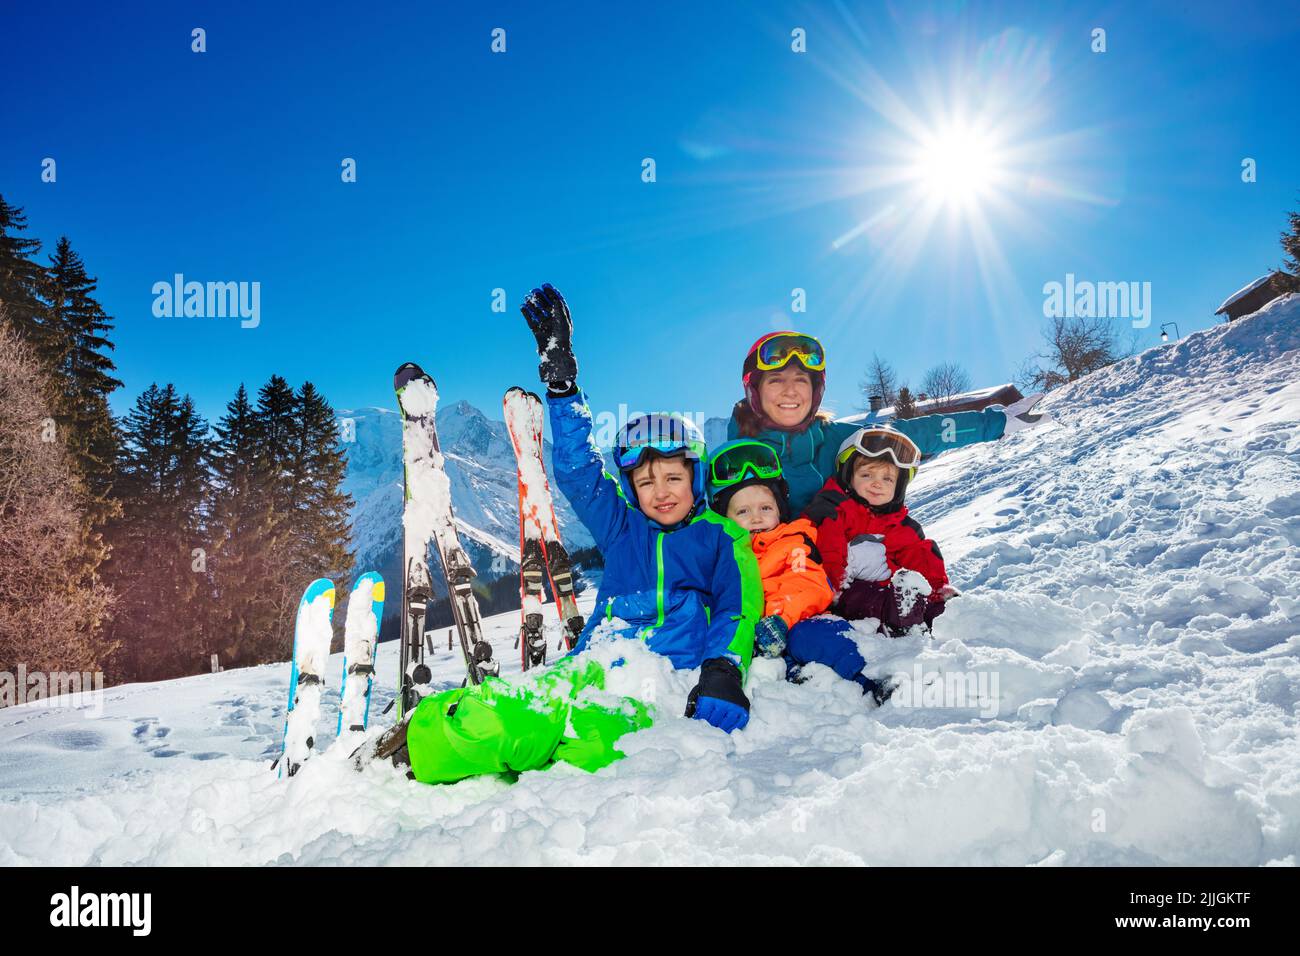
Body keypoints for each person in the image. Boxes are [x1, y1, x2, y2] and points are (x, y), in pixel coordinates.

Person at [366, 284, 764, 784]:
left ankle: (536, 788)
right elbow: (578, 472)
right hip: (590, 662)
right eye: (645, 482)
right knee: (514, 715)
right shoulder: (623, 528)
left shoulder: (722, 538)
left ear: (696, 478)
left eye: (673, 478)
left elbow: (737, 607)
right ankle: (410, 748)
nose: (660, 492)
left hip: (658, 676)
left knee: (595, 752)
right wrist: (562, 387)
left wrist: (723, 669)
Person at [727, 331, 1049, 516]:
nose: (790, 390)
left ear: (816, 391)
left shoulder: (837, 439)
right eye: (776, 380)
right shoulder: (731, 463)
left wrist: (996, 423)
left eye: (801, 380)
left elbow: (916, 434)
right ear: (754, 391)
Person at [705, 439, 834, 660]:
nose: (756, 518)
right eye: (743, 511)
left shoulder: (792, 542)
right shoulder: (720, 554)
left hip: (794, 624)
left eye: (765, 508)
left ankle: (871, 680)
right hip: (746, 641)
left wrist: (780, 618)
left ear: (780, 509)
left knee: (821, 638)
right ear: (725, 518)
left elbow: (809, 583)